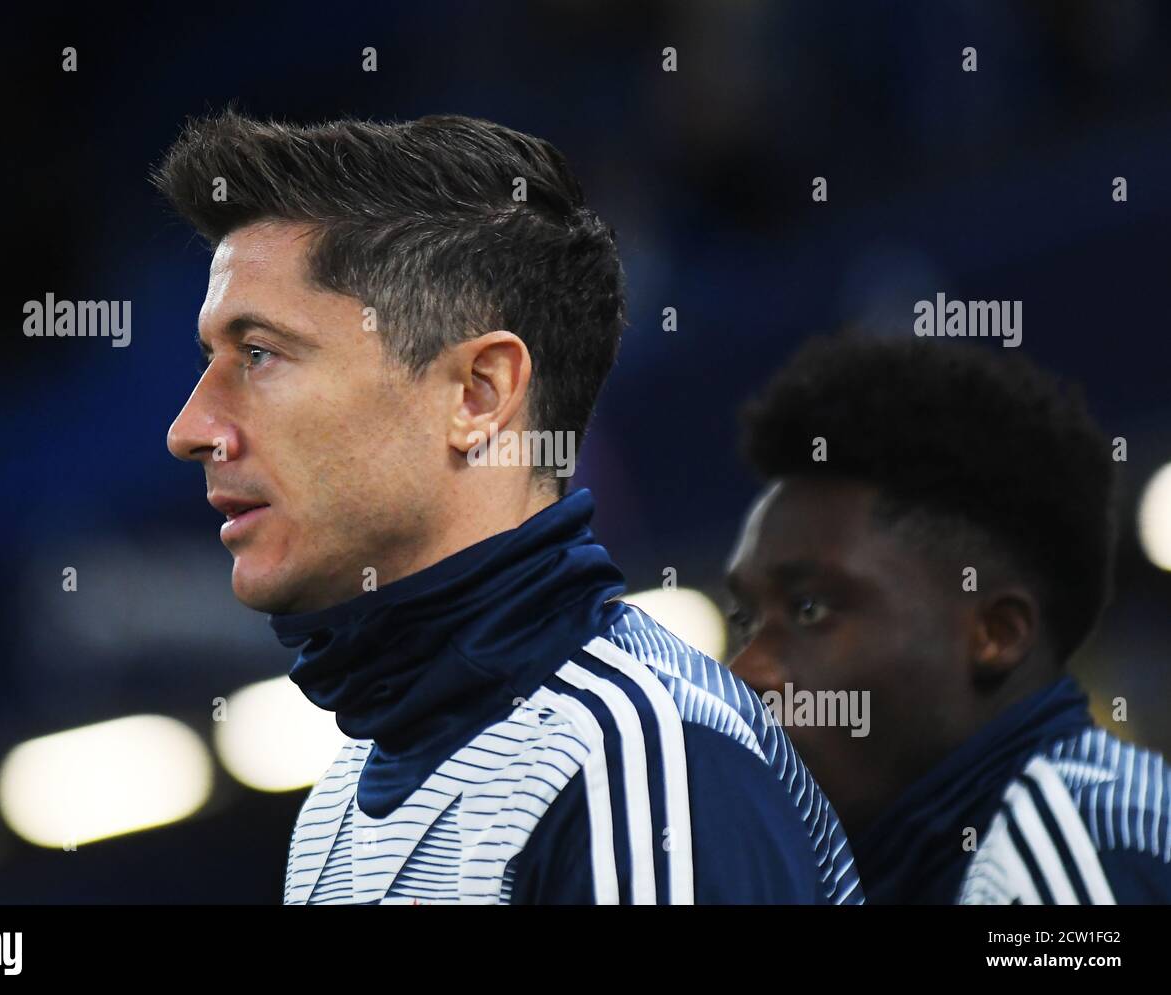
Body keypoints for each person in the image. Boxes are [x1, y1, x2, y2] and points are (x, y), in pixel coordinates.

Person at [155, 109, 860, 904]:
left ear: (479, 393)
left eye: (258, 353)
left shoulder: (635, 756)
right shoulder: (338, 805)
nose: (191, 428)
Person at [725, 335, 1171, 903]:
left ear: (996, 634)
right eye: (745, 620)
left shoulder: (1065, 865)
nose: (746, 672)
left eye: (809, 608)